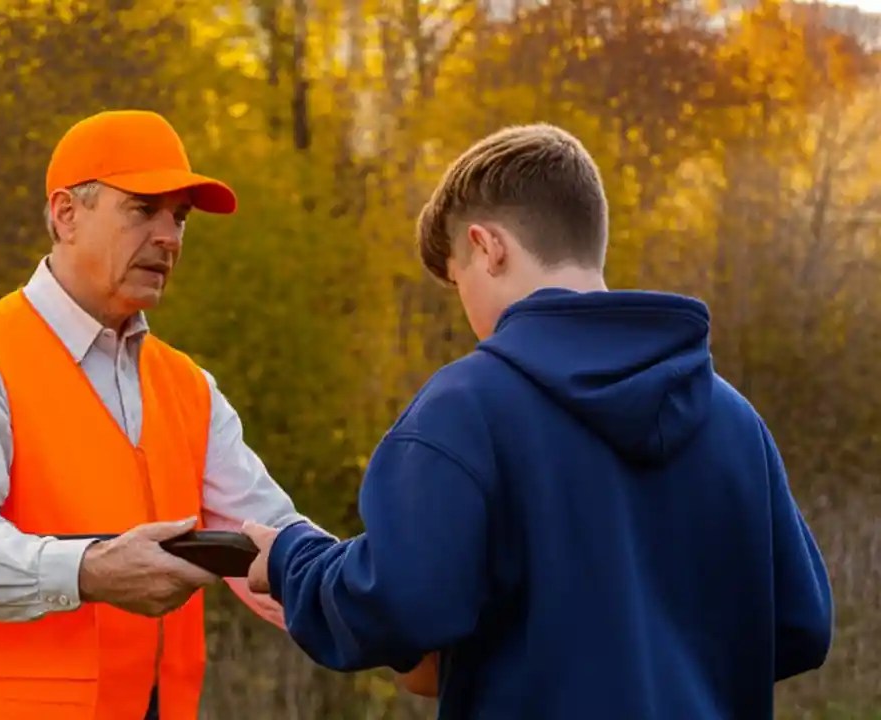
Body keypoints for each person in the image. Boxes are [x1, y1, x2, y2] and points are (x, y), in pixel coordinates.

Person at [242, 123, 834, 718]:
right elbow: (801, 624)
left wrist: (293, 561)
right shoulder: (731, 418)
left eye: (458, 280)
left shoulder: (465, 408)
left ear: (488, 246)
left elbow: (400, 604)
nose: (468, 312)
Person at [0, 109, 313, 720]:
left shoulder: (187, 385)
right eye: (144, 209)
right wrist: (90, 570)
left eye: (181, 217)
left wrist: (386, 608)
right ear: (66, 214)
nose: (169, 236)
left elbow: (268, 536)